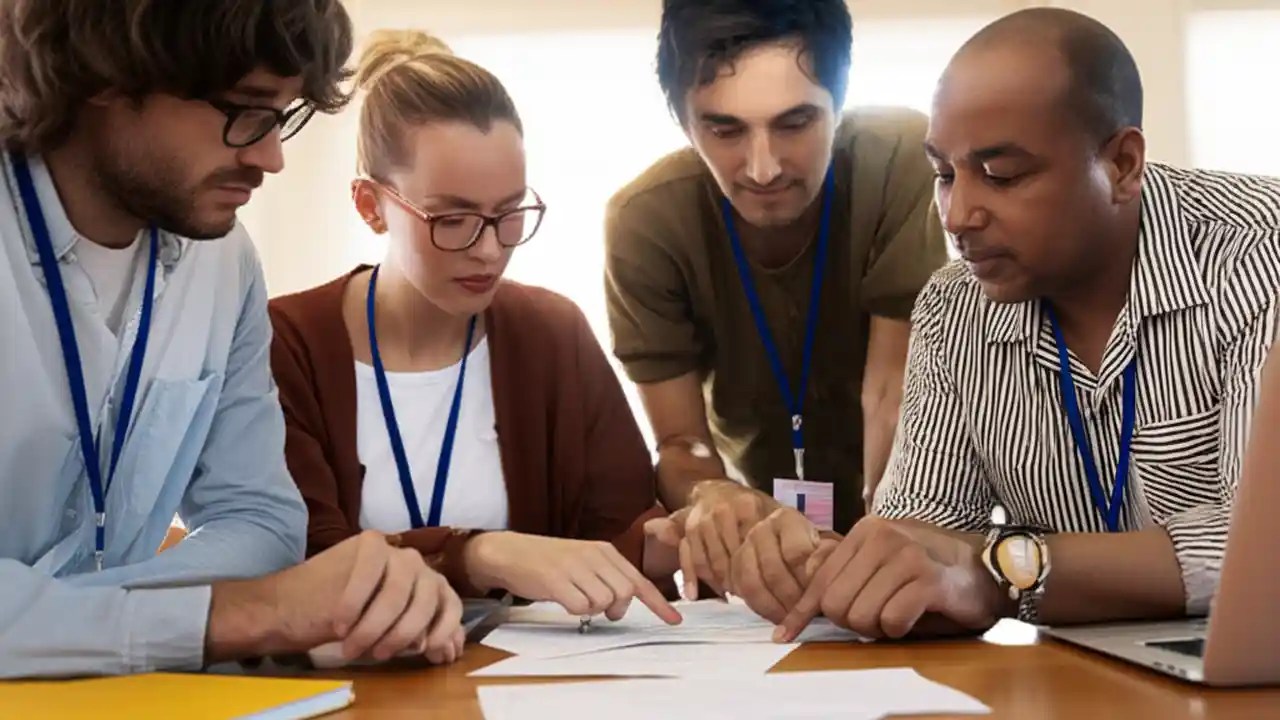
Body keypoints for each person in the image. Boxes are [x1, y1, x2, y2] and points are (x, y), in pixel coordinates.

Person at [759, 7, 1280, 640]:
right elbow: (928, 536)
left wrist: (1004, 573)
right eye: (944, 175)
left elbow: (1266, 549)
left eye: (1001, 176)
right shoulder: (954, 310)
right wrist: (846, 568)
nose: (956, 216)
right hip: (1084, 681)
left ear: (1122, 164)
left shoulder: (1258, 255)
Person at [0, 1, 466, 679]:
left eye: (284, 116)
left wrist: (56, 622)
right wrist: (245, 615)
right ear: (101, 74)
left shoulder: (223, 261)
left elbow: (262, 523)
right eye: (245, 110)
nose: (271, 157)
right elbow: (258, 585)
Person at [268, 31, 682, 625]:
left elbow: (615, 538)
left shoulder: (552, 331)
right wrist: (482, 554)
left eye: (510, 213)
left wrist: (686, 539)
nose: (489, 250)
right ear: (370, 205)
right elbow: (300, 562)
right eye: (453, 219)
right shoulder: (287, 343)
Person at [606, 0, 947, 599]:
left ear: (839, 105)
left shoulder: (899, 159)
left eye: (795, 124)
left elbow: (893, 393)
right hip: (758, 536)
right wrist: (715, 498)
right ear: (684, 123)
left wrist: (879, 538)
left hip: (903, 504)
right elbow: (681, 444)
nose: (763, 169)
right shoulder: (645, 220)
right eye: (725, 130)